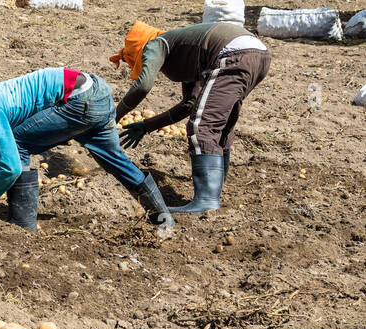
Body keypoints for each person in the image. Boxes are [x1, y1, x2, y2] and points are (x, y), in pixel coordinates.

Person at [0, 67, 172, 232]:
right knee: (115, 161)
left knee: (18, 145)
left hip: (78, 101)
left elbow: (9, 166)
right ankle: (163, 220)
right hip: (97, 94)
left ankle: (23, 227)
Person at [112, 20, 271, 213]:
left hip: (234, 54)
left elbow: (143, 86)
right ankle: (217, 183)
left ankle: (206, 201)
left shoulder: (155, 43)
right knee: (220, 121)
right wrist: (147, 126)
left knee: (203, 126)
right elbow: (189, 104)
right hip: (258, 55)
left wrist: (113, 117)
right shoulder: (186, 53)